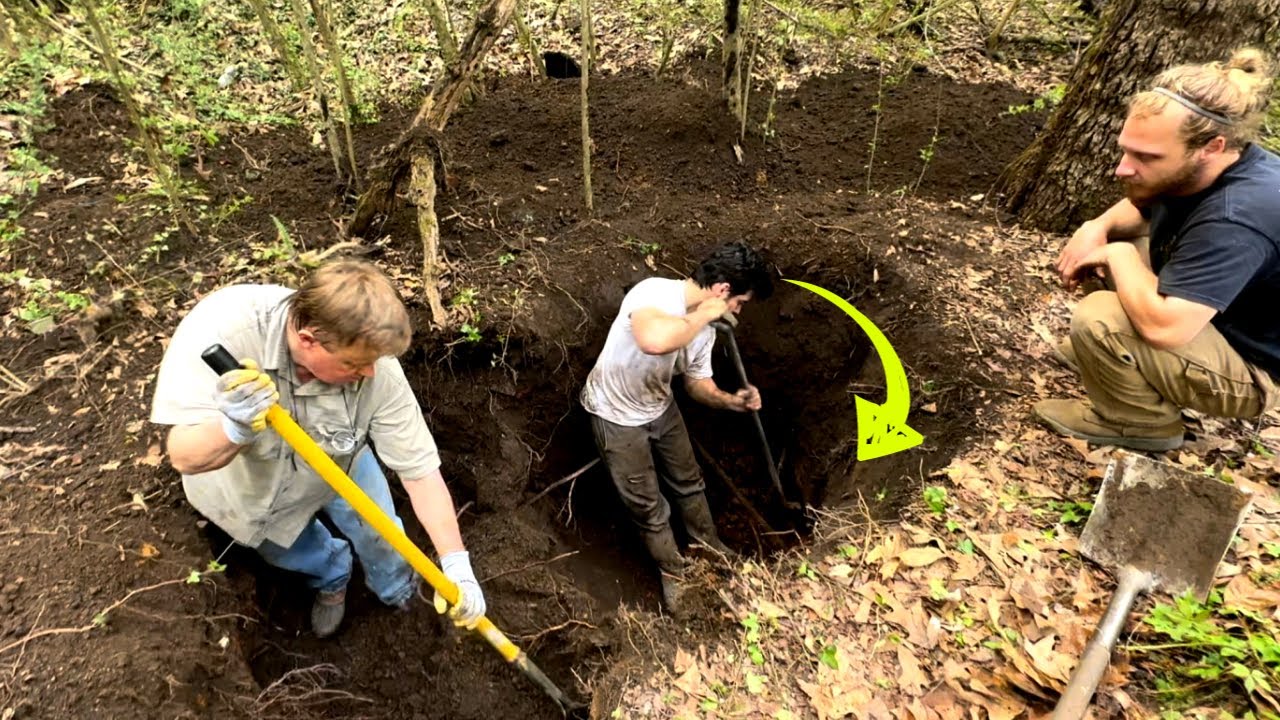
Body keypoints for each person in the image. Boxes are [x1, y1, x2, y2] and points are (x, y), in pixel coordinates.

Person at [150, 259, 485, 637]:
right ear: (308, 340)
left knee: (381, 532)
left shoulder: (376, 367)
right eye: (356, 364)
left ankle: (395, 589)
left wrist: (457, 563)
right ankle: (332, 575)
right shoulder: (221, 331)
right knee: (286, 550)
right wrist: (233, 427)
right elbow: (182, 455)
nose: (371, 373)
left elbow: (421, 472)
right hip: (250, 487)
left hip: (338, 460)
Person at [1037, 48, 1280, 452]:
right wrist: (1096, 228)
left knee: (1101, 318)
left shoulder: (1236, 217)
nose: (1123, 168)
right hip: (1226, 314)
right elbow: (1140, 209)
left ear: (1211, 147)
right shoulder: (1214, 168)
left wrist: (1119, 256)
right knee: (1116, 238)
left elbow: (1167, 328)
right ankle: (1114, 363)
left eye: (1146, 157)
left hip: (1253, 366)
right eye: (1127, 149)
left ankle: (1139, 423)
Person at [581, 242, 774, 614]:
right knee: (649, 506)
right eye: (740, 302)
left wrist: (731, 401)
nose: (738, 312)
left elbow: (696, 384)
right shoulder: (653, 293)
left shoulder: (706, 329)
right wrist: (705, 316)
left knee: (689, 481)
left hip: (660, 406)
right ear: (722, 291)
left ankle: (709, 546)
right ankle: (675, 572)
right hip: (616, 415)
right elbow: (653, 340)